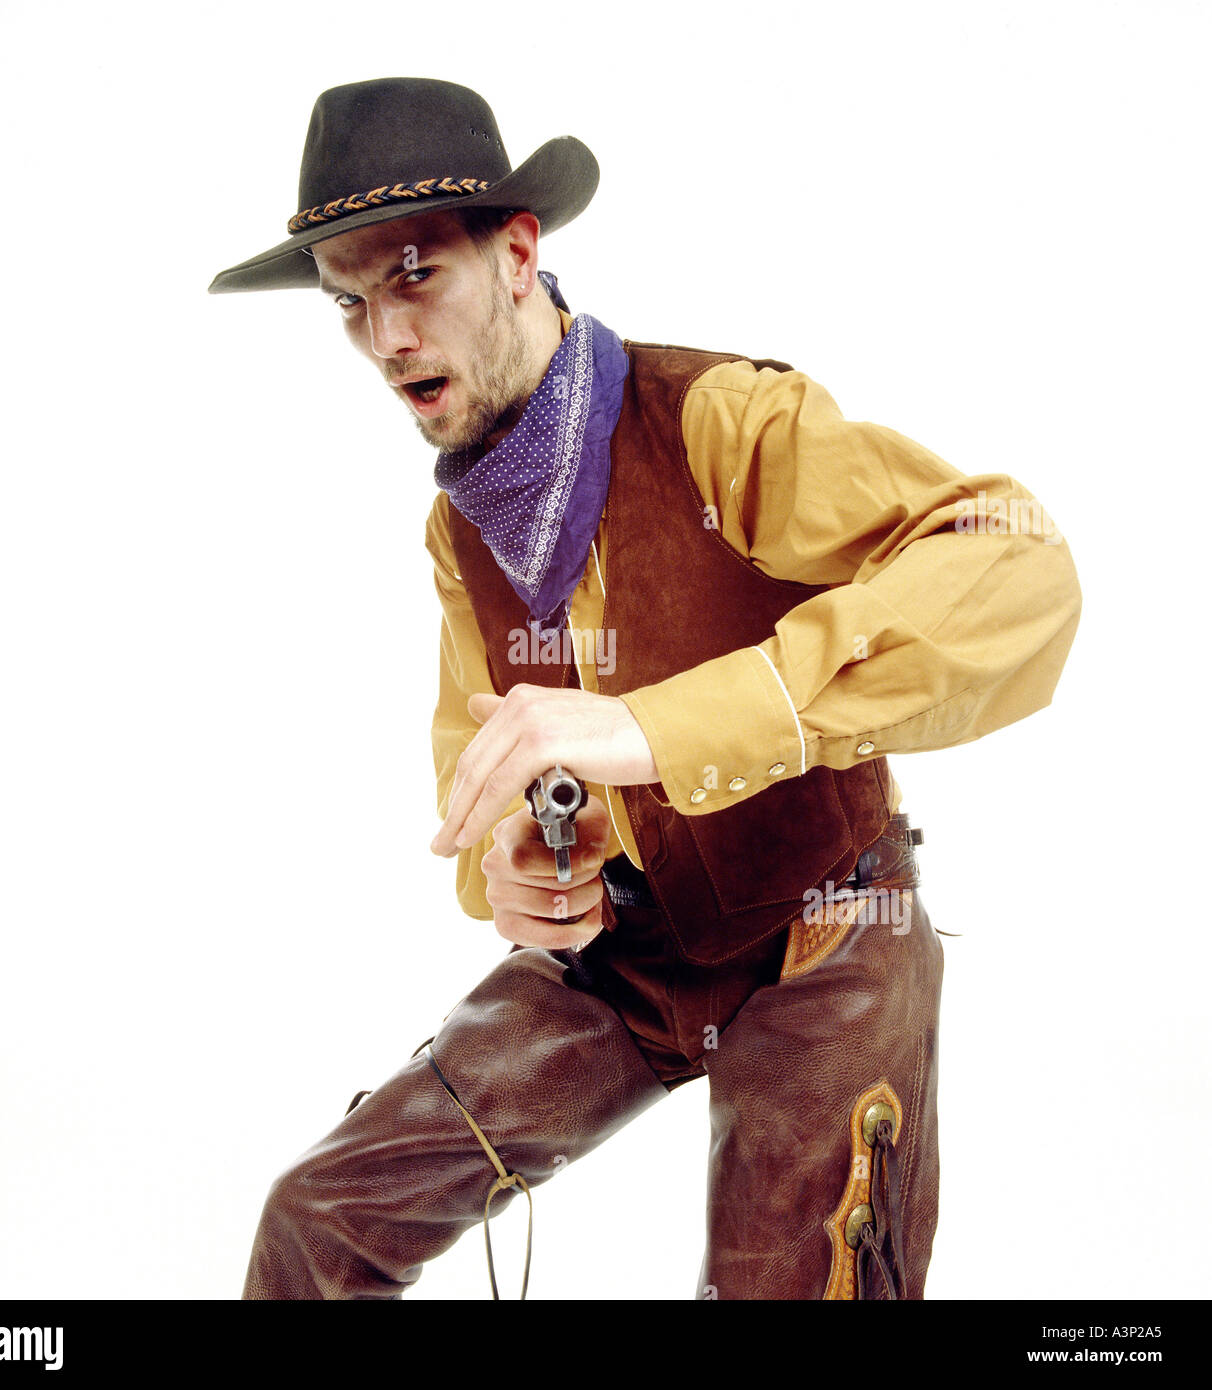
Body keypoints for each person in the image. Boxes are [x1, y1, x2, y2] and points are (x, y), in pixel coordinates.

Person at [208, 76, 1081, 1300]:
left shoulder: (718, 419)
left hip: (829, 928)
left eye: (413, 277)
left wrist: (653, 725)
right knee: (317, 1216)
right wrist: (513, 868)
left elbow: (1014, 557)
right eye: (348, 303)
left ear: (517, 253)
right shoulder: (461, 530)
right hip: (635, 944)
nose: (385, 338)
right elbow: (482, 781)